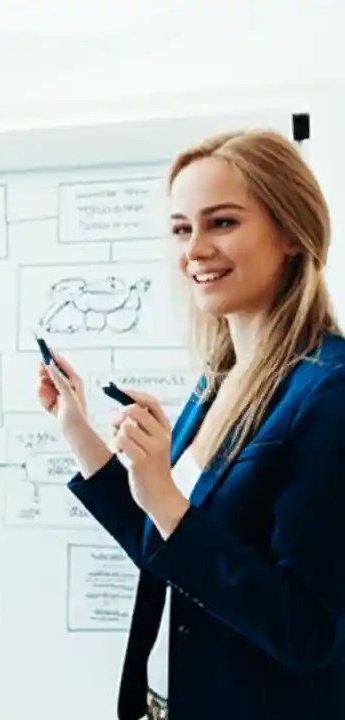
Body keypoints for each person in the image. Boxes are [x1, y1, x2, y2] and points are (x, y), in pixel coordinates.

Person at [38, 129, 345, 719]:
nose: (195, 249)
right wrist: (80, 434)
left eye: (222, 223)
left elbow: (309, 633)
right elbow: (168, 548)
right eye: (182, 228)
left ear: (291, 231)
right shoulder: (219, 383)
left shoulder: (330, 392)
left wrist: (166, 499)